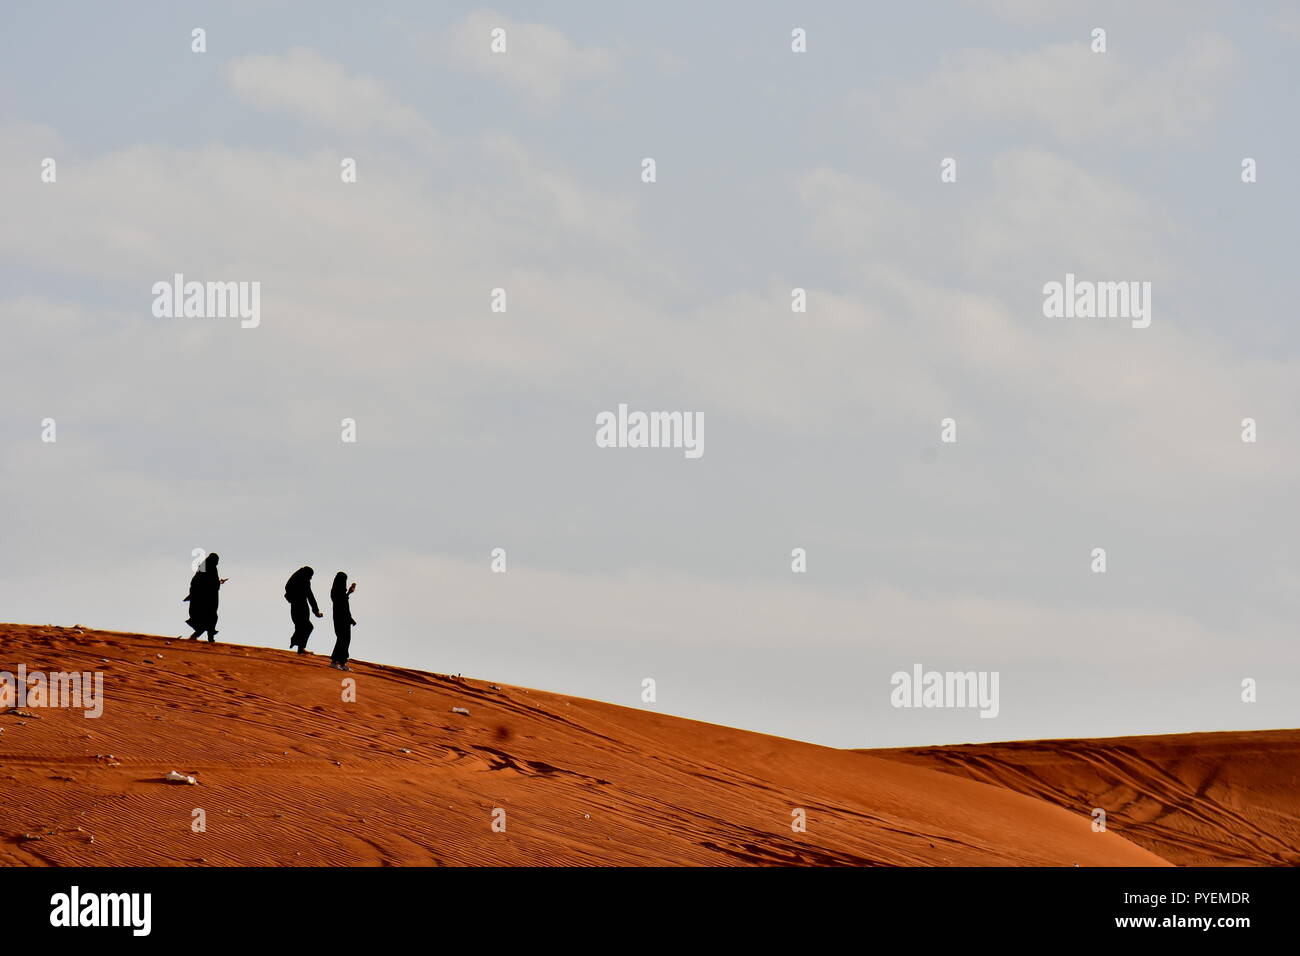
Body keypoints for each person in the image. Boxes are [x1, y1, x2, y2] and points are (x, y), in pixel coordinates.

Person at [184, 553, 227, 642]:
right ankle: (208, 638)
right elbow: (199, 582)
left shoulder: (208, 568)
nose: (217, 563)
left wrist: (218, 582)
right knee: (208, 618)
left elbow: (207, 582)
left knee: (210, 618)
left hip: (209, 599)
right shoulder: (205, 568)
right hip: (204, 600)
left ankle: (205, 637)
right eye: (216, 560)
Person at [285, 566, 323, 654]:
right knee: (307, 627)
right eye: (310, 575)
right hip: (301, 606)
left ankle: (299, 647)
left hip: (295, 606)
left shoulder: (295, 577)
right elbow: (310, 596)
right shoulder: (304, 580)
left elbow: (287, 588)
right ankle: (297, 644)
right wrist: (316, 611)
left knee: (301, 626)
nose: (311, 578)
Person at [329, 572, 357, 672]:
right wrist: (350, 619)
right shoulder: (337, 591)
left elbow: (343, 602)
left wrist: (349, 592)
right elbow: (342, 605)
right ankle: (334, 661)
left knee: (345, 640)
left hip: (342, 618)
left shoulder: (337, 590)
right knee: (342, 639)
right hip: (341, 618)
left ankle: (342, 662)